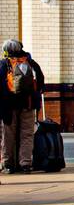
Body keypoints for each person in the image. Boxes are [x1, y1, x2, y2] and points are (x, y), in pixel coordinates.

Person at [1, 39, 45, 174]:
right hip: (29, 104)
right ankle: (25, 164)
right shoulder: (31, 63)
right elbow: (41, 82)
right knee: (27, 135)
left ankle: (7, 164)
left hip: (9, 106)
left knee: (7, 135)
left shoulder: (4, 64)